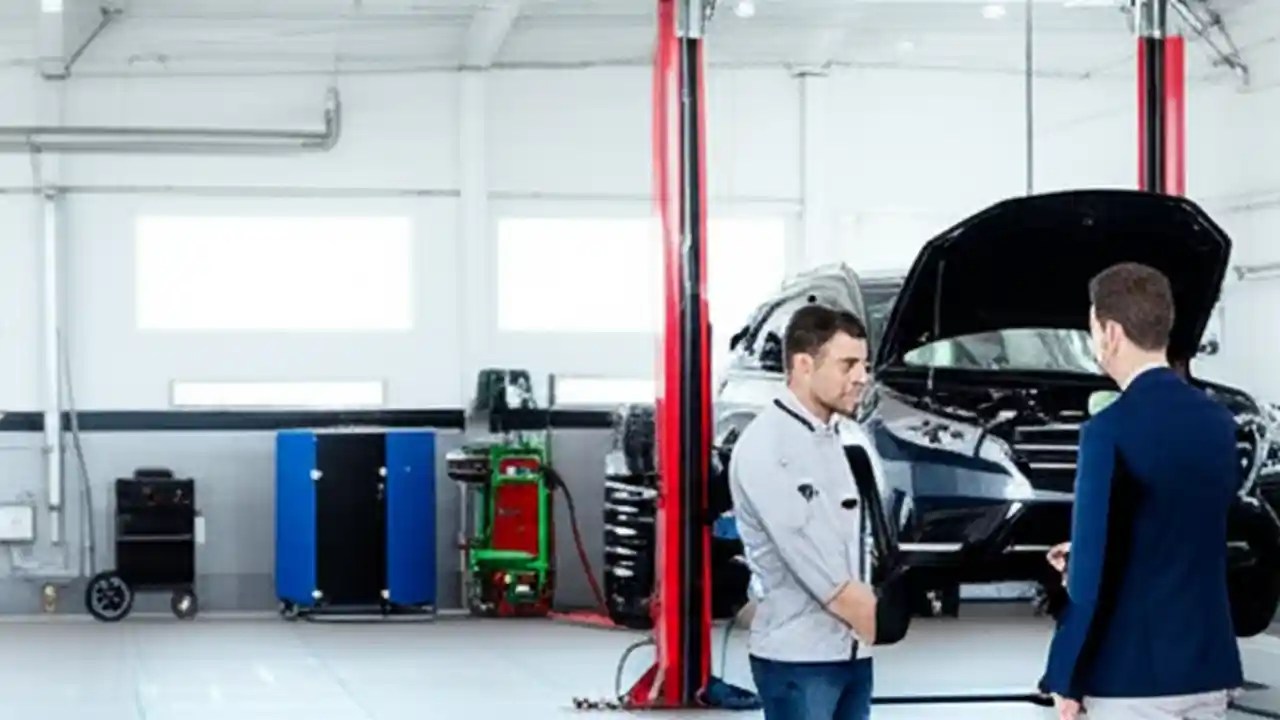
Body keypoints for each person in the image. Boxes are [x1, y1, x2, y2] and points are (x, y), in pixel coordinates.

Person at [1040, 262, 1244, 720]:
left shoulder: (1108, 430)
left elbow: (1090, 581)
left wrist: (1066, 675)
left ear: (1110, 331)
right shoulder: (1219, 424)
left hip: (1131, 677)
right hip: (1208, 669)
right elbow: (1178, 529)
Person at [729, 304, 879, 720]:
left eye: (864, 365)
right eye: (848, 364)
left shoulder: (837, 436)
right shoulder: (769, 447)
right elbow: (812, 560)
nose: (862, 378)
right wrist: (870, 613)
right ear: (803, 365)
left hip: (848, 653)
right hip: (800, 659)